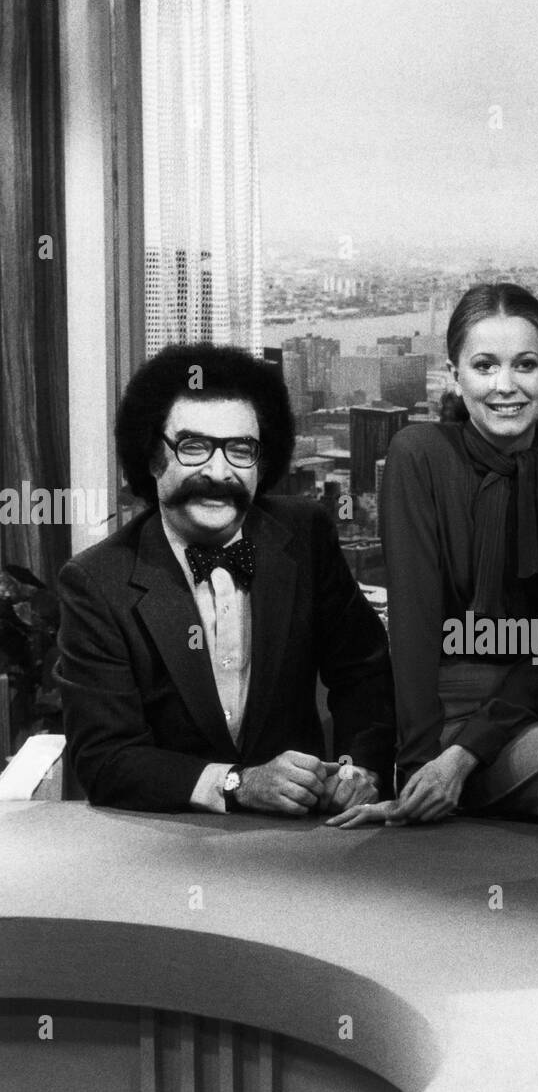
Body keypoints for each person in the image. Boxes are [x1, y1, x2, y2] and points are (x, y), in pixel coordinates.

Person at [329, 282, 538, 830]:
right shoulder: (419, 455)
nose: (506, 386)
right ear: (454, 376)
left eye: (526, 364)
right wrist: (420, 769)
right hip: (446, 705)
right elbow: (416, 627)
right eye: (485, 366)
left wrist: (462, 763)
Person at [57, 343, 394, 815]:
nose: (219, 472)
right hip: (167, 843)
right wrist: (235, 784)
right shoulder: (96, 582)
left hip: (306, 845)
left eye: (240, 450)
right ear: (153, 457)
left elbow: (363, 672)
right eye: (193, 447)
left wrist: (361, 769)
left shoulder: (306, 534)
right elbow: (105, 759)